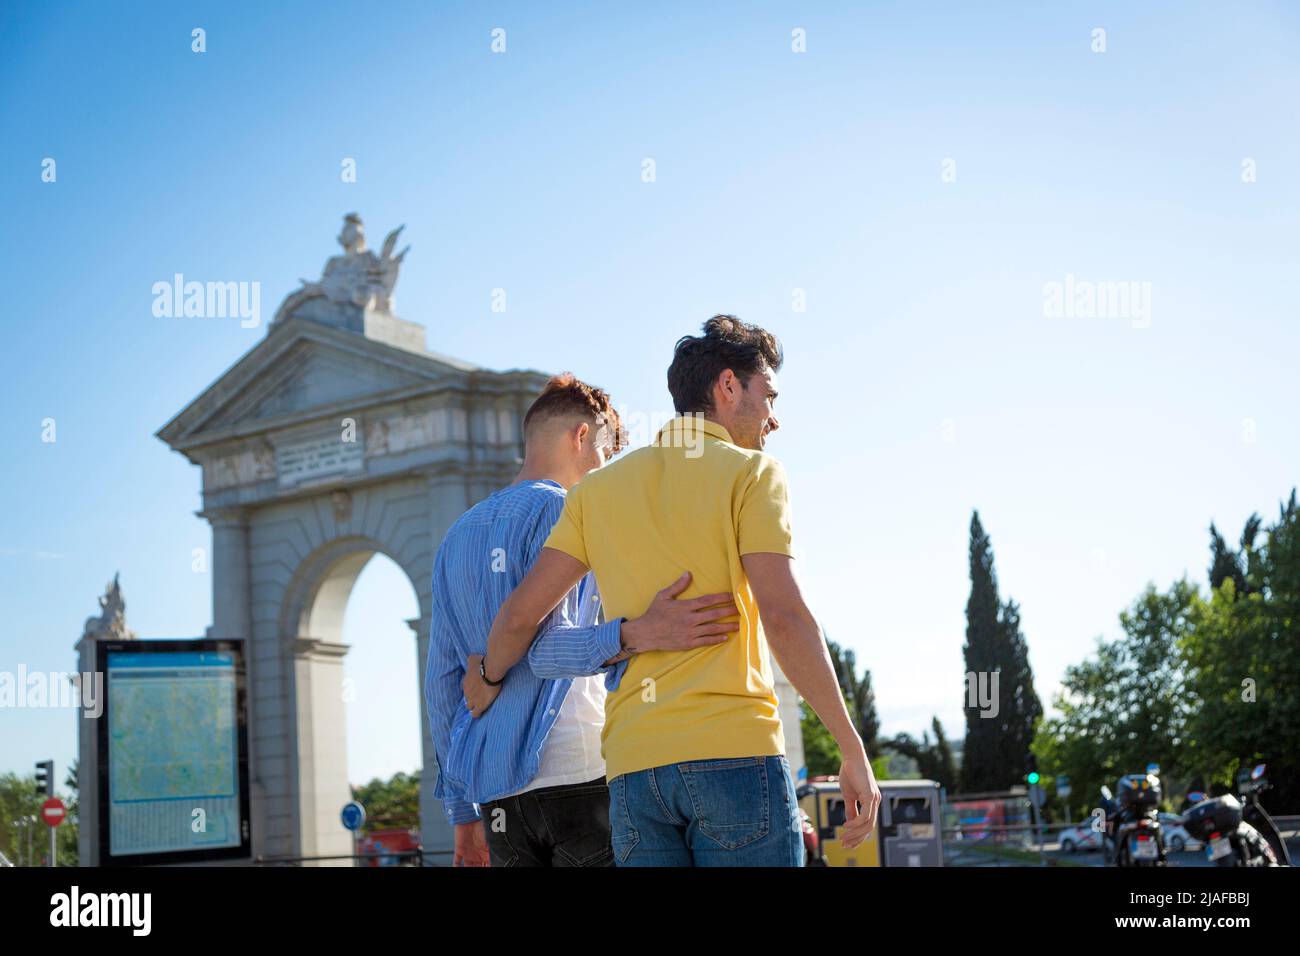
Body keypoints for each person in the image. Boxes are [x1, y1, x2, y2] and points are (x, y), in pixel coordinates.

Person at [465, 316, 881, 866]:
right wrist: (852, 751)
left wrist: (488, 677)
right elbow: (784, 617)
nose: (775, 419)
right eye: (769, 395)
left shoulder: (596, 492)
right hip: (734, 756)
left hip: (635, 772)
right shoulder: (752, 474)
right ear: (728, 386)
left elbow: (520, 615)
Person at [424, 373, 737, 866]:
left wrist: (464, 814)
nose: (603, 470)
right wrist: (639, 632)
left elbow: (443, 684)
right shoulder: (569, 511)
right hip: (580, 775)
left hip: (502, 800)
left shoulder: (455, 537)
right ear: (582, 436)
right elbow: (552, 648)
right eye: (606, 455)